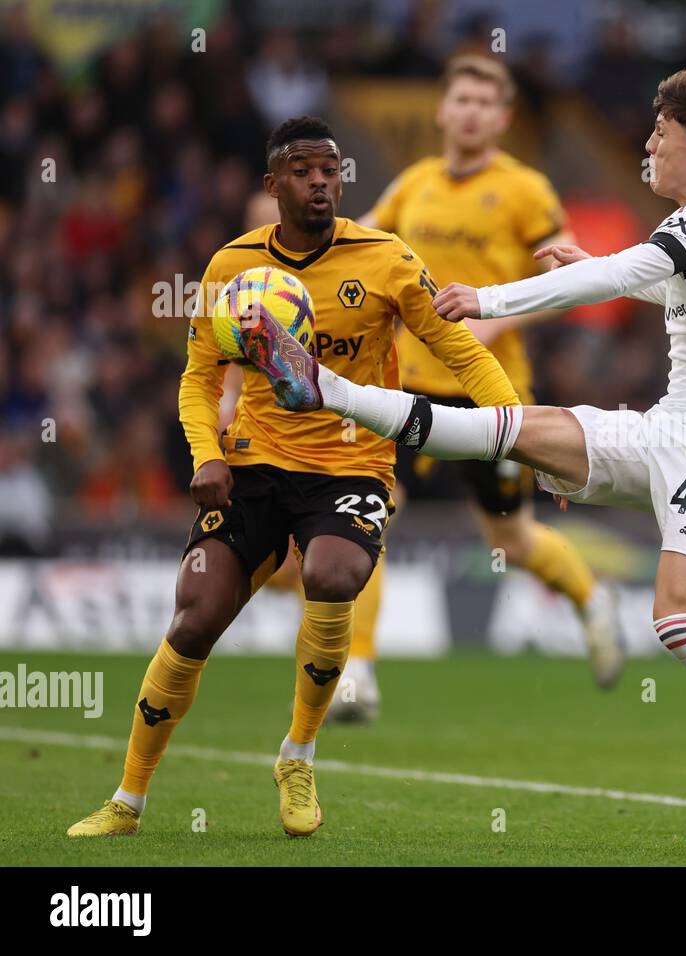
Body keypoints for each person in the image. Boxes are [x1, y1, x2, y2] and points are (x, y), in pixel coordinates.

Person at [240, 71, 686, 853]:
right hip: (669, 427)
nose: (648, 145)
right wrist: (601, 261)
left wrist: (490, 299)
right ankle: (327, 390)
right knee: (507, 429)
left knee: (679, 620)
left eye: (661, 135)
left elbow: (614, 278)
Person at [66, 116, 518, 838]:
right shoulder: (231, 269)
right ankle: (128, 799)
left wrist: (518, 434)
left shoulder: (388, 260)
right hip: (252, 465)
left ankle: (298, 754)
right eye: (304, 172)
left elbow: (461, 352)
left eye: (330, 170)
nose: (321, 183)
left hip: (352, 464)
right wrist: (205, 454)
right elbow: (197, 378)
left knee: (335, 575)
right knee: (195, 617)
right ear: (273, 184)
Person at [331, 54, 622, 719]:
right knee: (369, 515)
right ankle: (360, 673)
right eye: (460, 99)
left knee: (510, 542)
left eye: (483, 103)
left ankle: (590, 597)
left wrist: (497, 318)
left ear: (503, 118)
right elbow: (360, 249)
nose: (469, 112)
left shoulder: (526, 191)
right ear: (441, 109)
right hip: (405, 388)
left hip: (488, 390)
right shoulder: (413, 186)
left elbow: (570, 279)